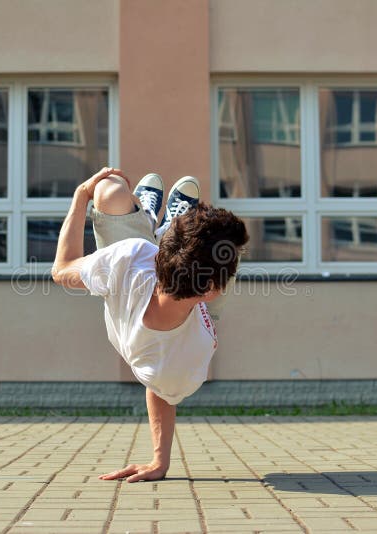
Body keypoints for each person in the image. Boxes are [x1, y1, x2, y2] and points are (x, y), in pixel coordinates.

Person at [51, 167, 248, 482]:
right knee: (222, 254)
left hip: (161, 268)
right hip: (180, 281)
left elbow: (61, 269)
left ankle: (166, 229)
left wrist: (83, 195)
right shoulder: (131, 258)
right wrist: (80, 195)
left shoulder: (127, 260)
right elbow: (60, 271)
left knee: (108, 188)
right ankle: (167, 228)